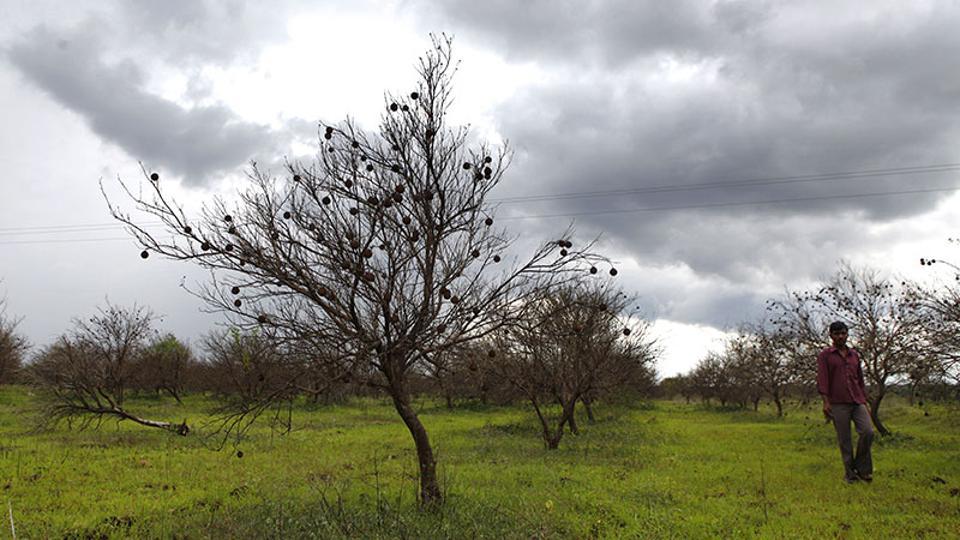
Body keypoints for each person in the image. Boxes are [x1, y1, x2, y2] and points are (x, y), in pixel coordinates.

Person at [816, 321, 874, 483]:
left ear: (847, 334)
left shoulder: (854, 355)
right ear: (831, 335)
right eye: (836, 334)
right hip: (837, 402)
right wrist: (826, 402)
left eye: (843, 333)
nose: (840, 336)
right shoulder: (825, 356)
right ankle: (851, 475)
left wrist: (865, 401)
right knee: (845, 440)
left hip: (857, 400)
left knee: (868, 432)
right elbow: (823, 380)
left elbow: (860, 380)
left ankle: (863, 469)